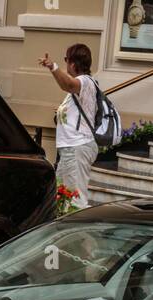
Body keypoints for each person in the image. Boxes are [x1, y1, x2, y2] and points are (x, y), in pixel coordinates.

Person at [40, 43, 99, 212]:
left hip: (77, 146)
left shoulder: (85, 82)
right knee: (61, 194)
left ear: (73, 63)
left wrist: (53, 67)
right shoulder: (79, 87)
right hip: (69, 148)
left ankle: (81, 236)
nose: (66, 64)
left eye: (66, 60)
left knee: (75, 198)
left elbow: (68, 84)